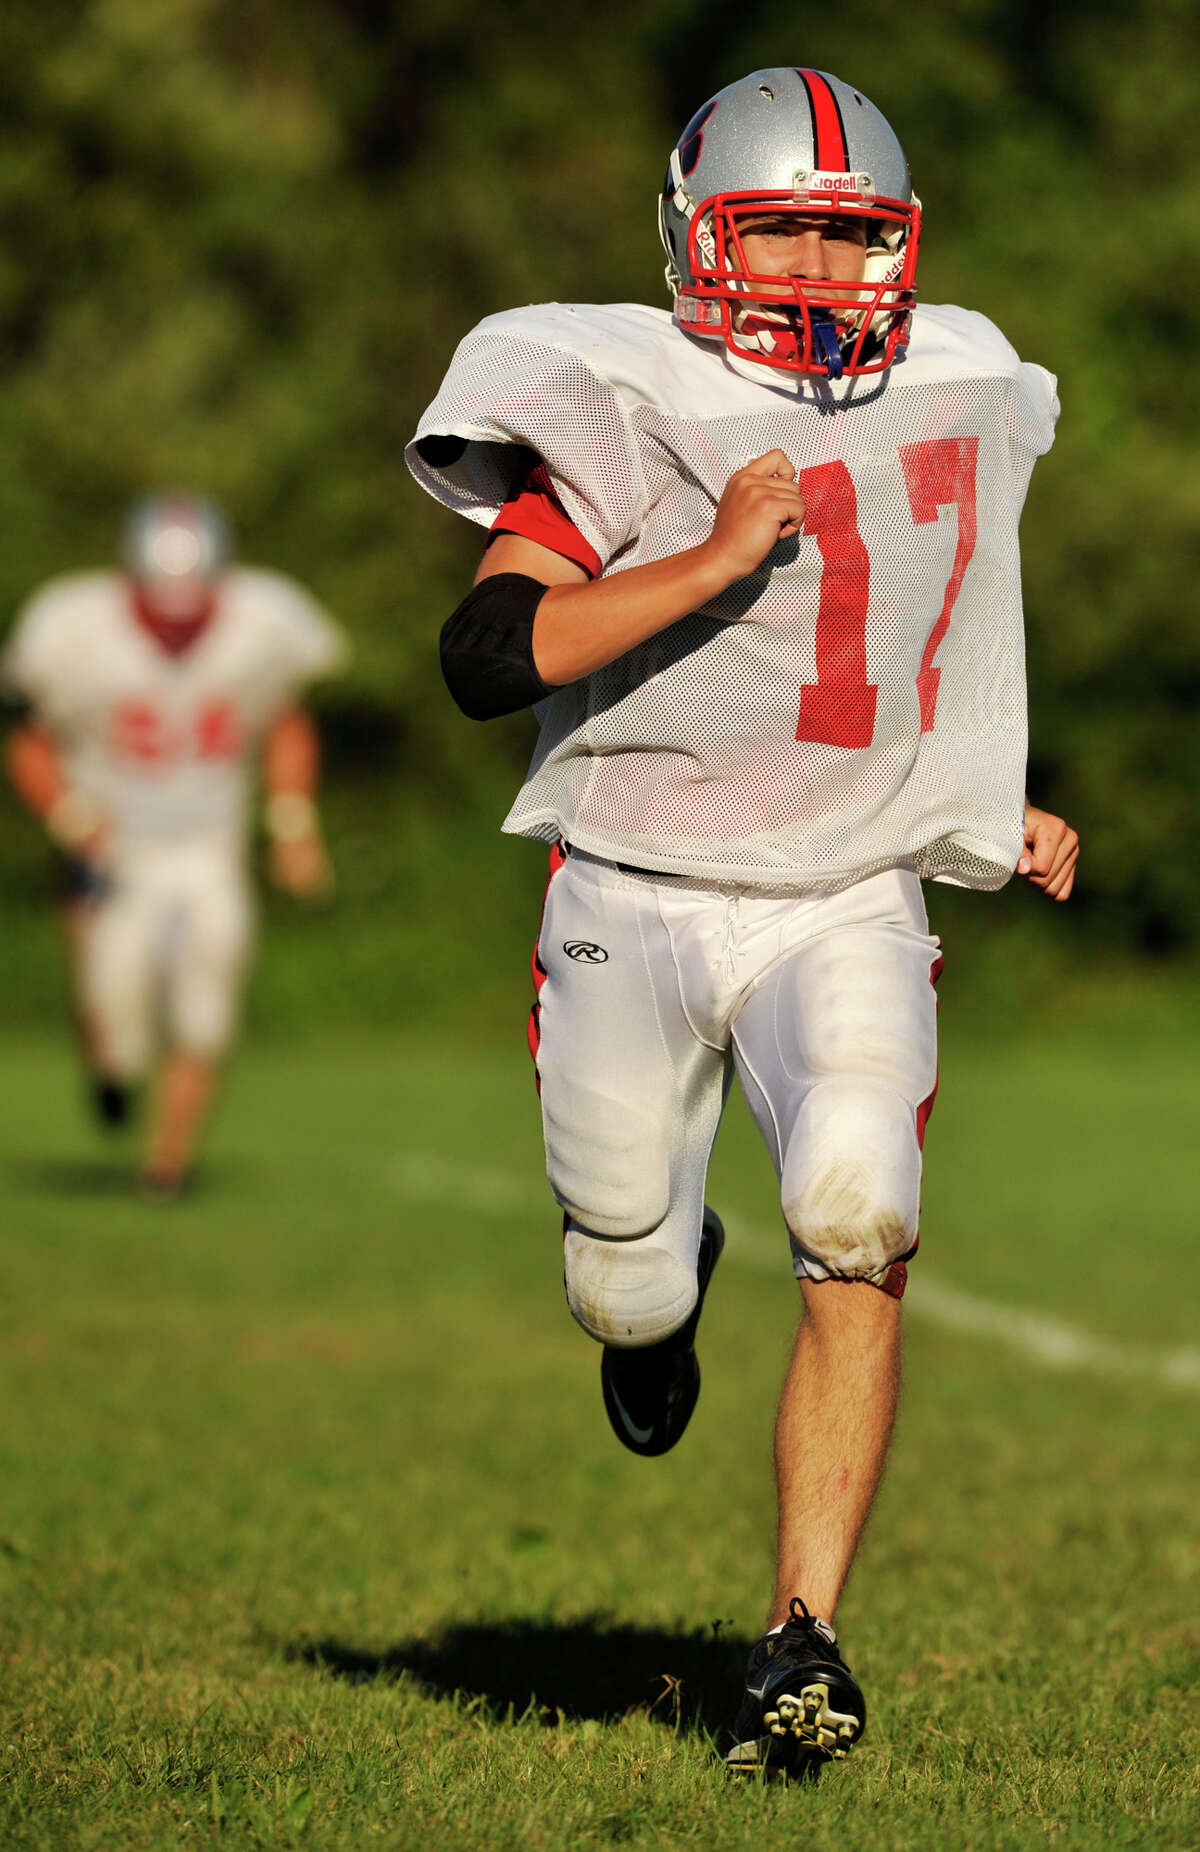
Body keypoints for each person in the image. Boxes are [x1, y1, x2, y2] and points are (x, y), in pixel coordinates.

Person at [406, 67, 1078, 1777]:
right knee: (623, 1294)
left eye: (849, 235)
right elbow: (487, 662)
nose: (814, 269)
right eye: (778, 225)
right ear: (696, 235)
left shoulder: (959, 377)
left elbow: (907, 650)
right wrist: (707, 558)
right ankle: (665, 1279)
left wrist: (980, 808)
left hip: (843, 891)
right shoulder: (627, 396)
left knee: (862, 1211)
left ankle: (799, 1638)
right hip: (632, 883)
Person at [3, 492, 346, 1197]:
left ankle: (166, 1166)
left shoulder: (261, 621)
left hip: (207, 846)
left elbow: (284, 722)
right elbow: (31, 741)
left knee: (205, 1005)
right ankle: (110, 1069)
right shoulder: (72, 626)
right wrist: (69, 815)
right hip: (114, 851)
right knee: (116, 1026)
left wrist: (291, 825)